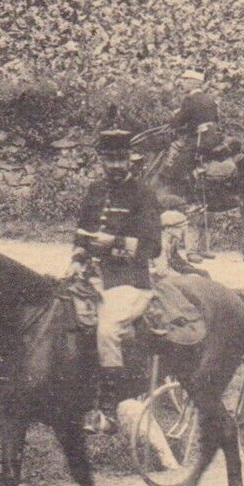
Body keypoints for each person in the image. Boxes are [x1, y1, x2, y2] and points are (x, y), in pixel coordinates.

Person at [72, 129, 163, 434]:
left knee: (107, 330)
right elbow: (82, 234)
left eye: (120, 159)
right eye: (109, 159)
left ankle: (109, 411)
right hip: (93, 278)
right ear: (100, 160)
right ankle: (77, 399)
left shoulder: (143, 194)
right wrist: (76, 259)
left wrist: (112, 243)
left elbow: (152, 247)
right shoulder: (95, 191)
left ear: (130, 160)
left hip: (130, 281)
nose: (115, 165)